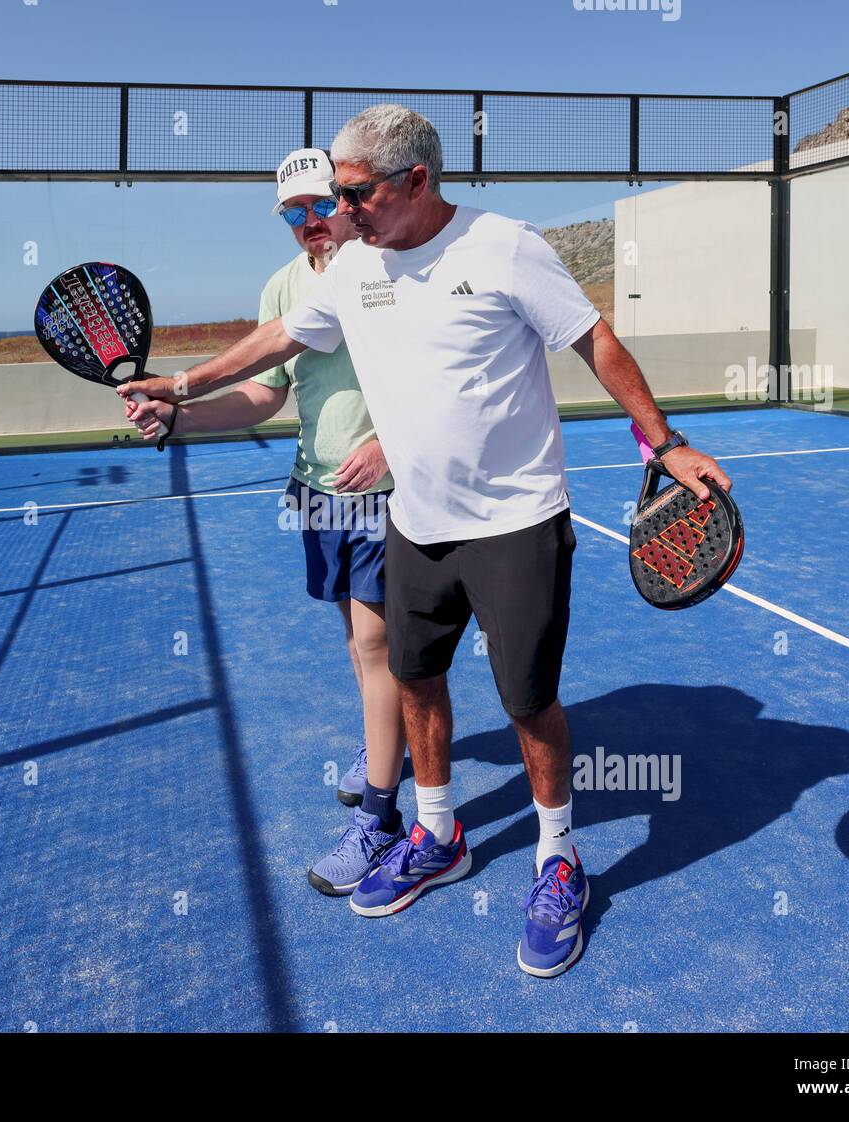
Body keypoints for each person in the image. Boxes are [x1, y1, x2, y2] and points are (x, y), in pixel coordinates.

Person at [122, 107, 730, 978]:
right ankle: (437, 833)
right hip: (416, 524)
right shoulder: (354, 264)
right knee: (414, 678)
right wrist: (179, 386)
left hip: (515, 522)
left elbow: (593, 337)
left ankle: (558, 857)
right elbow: (274, 343)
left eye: (355, 191)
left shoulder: (505, 247)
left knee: (527, 703)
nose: (339, 208)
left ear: (416, 181)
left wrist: (664, 444)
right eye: (335, 192)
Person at [128, 148, 410, 896]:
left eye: (320, 205)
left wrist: (389, 443)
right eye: (294, 213)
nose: (310, 222)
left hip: (387, 491)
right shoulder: (283, 287)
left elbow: (431, 376)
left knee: (379, 643)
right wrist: (177, 417)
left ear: (348, 201)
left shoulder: (392, 269)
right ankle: (382, 746)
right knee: (356, 638)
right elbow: (263, 395)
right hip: (317, 488)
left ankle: (381, 818)